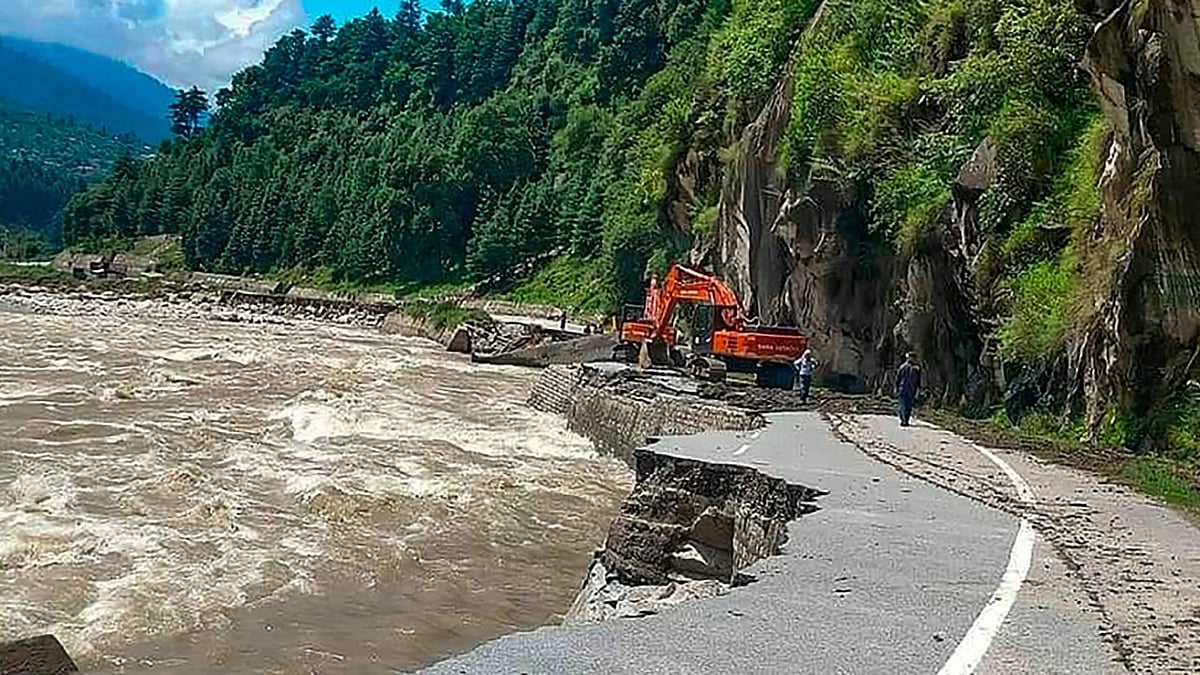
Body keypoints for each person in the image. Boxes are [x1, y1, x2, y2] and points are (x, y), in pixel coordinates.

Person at [896, 352, 922, 427]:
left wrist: (918, 390)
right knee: (902, 405)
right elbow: (898, 378)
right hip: (903, 388)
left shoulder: (916, 369)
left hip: (911, 390)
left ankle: (906, 420)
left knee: (908, 406)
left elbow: (918, 381)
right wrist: (896, 388)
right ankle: (903, 420)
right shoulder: (903, 367)